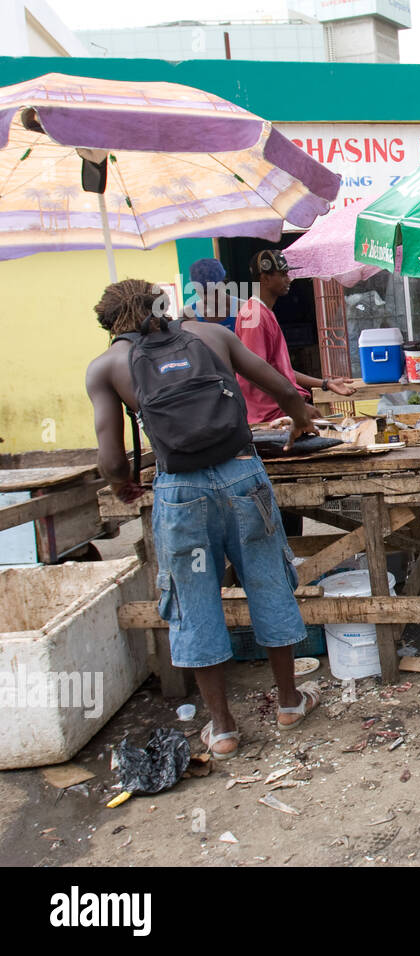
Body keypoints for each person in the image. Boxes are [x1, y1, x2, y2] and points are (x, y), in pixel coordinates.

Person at [84, 279, 324, 760]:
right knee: (267, 582)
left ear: (111, 326)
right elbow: (280, 383)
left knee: (194, 601)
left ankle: (224, 728)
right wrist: (300, 419)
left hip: (179, 491)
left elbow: (111, 458)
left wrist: (121, 485)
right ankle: (290, 702)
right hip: (243, 474)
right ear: (163, 304)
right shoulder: (212, 336)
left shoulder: (108, 367)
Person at [236, 248, 357, 426]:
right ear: (265, 278)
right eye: (283, 274)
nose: (289, 279)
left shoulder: (264, 312)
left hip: (281, 412)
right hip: (270, 418)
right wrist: (296, 406)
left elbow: (282, 372)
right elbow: (255, 373)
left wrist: (325, 383)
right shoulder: (253, 315)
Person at [184, 258, 239, 331]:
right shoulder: (189, 315)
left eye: (214, 292)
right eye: (202, 293)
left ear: (224, 283)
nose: (208, 299)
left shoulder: (243, 309)